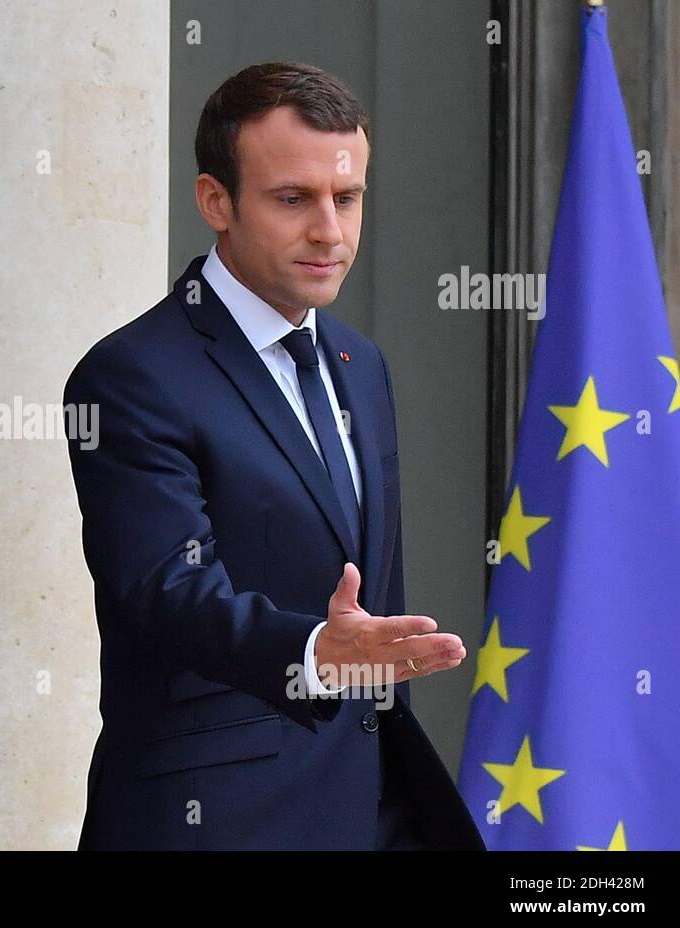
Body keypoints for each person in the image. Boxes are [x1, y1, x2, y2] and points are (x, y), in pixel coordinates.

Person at [64, 63, 482, 849]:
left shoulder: (363, 364)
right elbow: (165, 589)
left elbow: (371, 599)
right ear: (215, 202)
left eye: (347, 198)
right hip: (215, 820)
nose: (330, 229)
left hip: (371, 810)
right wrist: (314, 651)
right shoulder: (132, 375)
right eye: (293, 199)